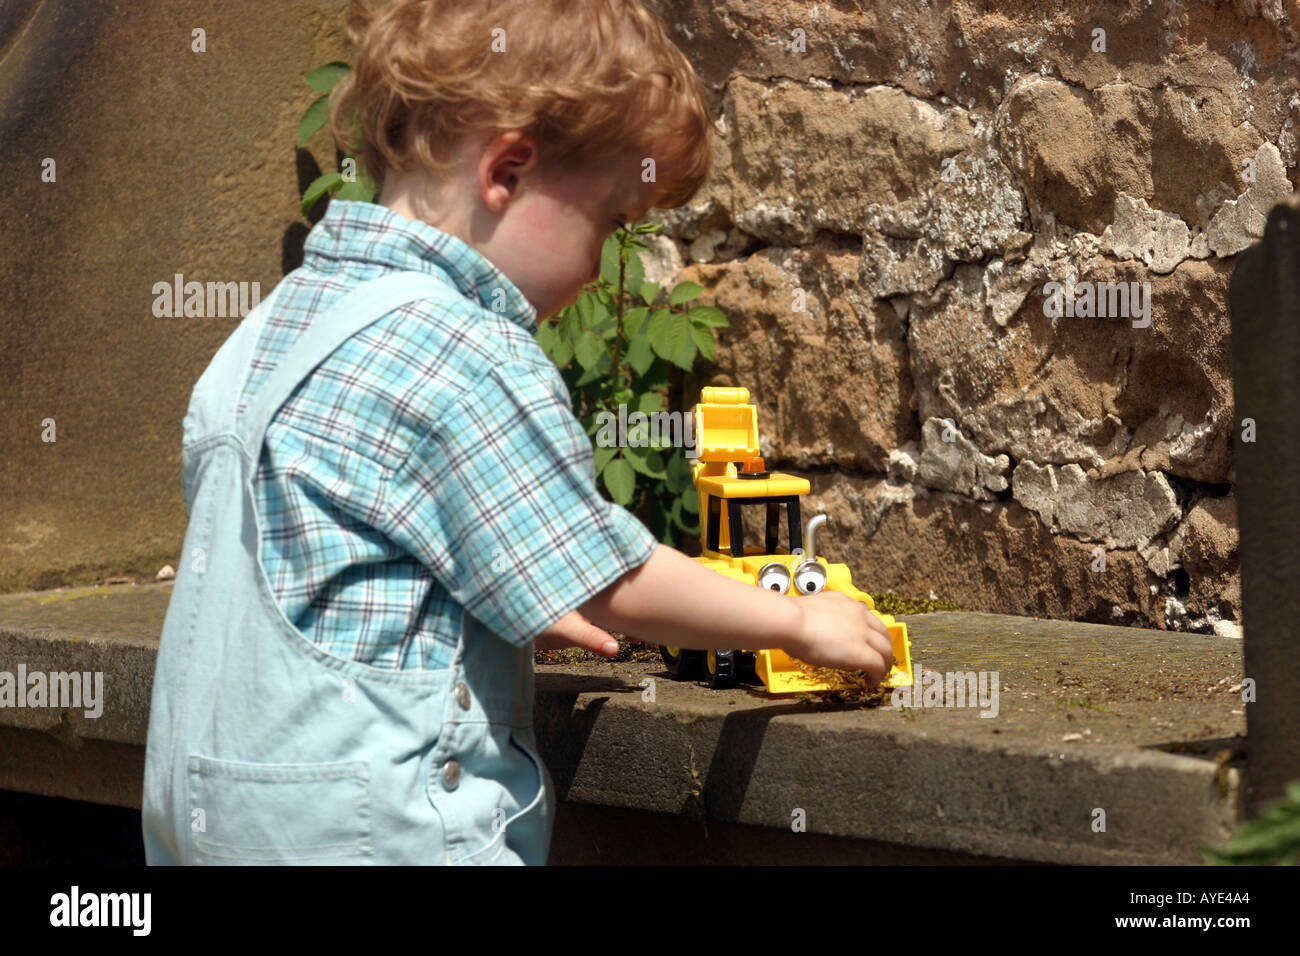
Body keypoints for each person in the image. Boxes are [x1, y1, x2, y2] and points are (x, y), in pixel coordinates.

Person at [141, 0, 893, 866]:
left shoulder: (270, 329)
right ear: (507, 171)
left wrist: (507, 590)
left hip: (216, 824)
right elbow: (617, 576)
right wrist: (794, 623)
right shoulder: (464, 347)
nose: (608, 263)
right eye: (611, 223)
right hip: (376, 835)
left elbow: (324, 561)